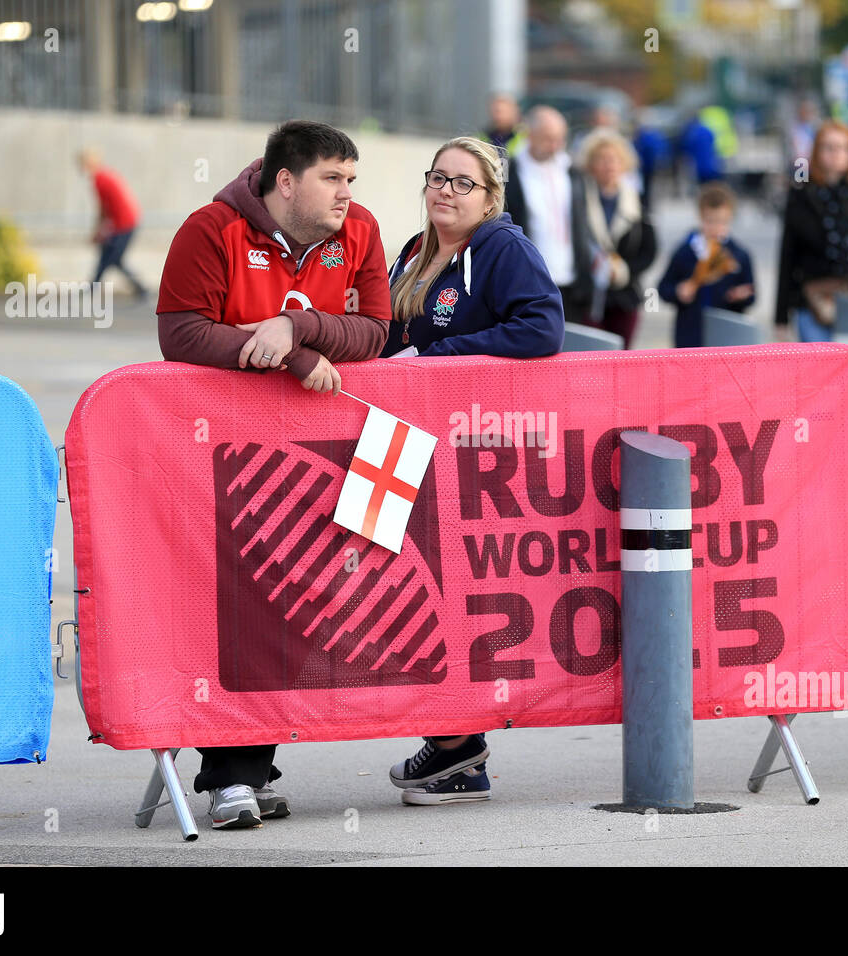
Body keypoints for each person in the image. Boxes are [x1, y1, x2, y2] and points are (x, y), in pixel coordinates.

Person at [156, 120, 393, 828]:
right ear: (284, 180)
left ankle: (256, 769)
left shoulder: (363, 230)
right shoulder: (214, 228)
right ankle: (230, 777)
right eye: (332, 177)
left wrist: (301, 327)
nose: (347, 193)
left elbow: (376, 332)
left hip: (323, 450)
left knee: (318, 600)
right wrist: (290, 356)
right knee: (237, 607)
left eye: (352, 178)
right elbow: (182, 334)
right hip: (223, 453)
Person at [382, 135, 563, 802]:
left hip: (466, 456)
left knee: (446, 597)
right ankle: (452, 741)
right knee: (403, 591)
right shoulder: (417, 250)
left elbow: (542, 328)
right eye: (437, 178)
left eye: (463, 183)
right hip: (402, 445)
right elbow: (388, 331)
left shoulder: (503, 250)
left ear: (491, 198)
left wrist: (439, 360)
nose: (445, 191)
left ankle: (462, 754)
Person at [774, 120, 848, 343]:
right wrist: (780, 317)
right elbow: (787, 255)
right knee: (819, 375)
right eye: (829, 147)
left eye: (843, 148)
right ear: (817, 152)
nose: (836, 154)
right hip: (811, 302)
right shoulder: (801, 193)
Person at [504, 105, 593, 323]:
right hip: (529, 280)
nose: (555, 146)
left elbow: (582, 222)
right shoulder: (510, 170)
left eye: (559, 139)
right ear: (529, 135)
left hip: (572, 281)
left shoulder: (572, 171)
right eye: (547, 138)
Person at [575, 129, 657, 347]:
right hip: (589, 297)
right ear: (591, 165)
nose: (609, 165)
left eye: (614, 160)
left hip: (626, 296)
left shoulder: (638, 203)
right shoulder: (578, 200)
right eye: (602, 160)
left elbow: (650, 251)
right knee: (591, 359)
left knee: (622, 358)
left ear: (624, 164)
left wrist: (623, 270)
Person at [659, 183, 755, 348]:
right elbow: (661, 288)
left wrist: (741, 296)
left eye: (722, 222)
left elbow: (752, 293)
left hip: (727, 336)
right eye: (711, 221)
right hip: (690, 334)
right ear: (701, 218)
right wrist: (678, 292)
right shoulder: (686, 252)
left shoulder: (739, 254)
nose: (717, 228)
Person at [78, 148, 147, 297]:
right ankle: (92, 288)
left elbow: (103, 210)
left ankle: (141, 288)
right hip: (122, 223)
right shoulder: (106, 175)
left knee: (113, 258)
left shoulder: (100, 180)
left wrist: (97, 231)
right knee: (106, 256)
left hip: (125, 224)